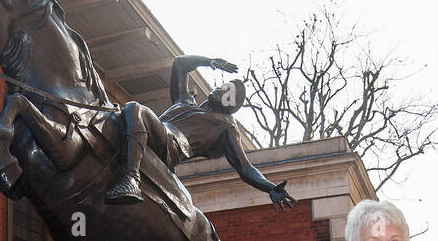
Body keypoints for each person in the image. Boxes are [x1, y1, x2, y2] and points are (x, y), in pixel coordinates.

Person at [105, 55, 296, 210]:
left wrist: (270, 187)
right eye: (222, 87)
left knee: (135, 108)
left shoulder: (226, 126)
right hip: (155, 131)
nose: (220, 89)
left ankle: (131, 179)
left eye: (226, 92)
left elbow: (245, 167)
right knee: (118, 114)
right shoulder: (184, 100)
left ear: (230, 104)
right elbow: (179, 63)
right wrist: (209, 62)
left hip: (171, 146)